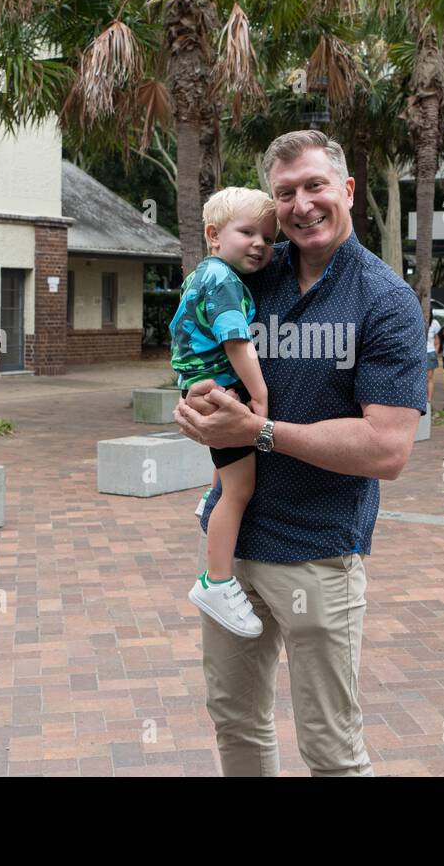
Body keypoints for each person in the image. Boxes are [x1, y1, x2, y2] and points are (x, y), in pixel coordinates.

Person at [174, 130, 425, 776]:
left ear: (346, 190)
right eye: (285, 192)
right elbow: (202, 346)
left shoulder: (386, 301)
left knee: (331, 750)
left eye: (315, 186)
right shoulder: (251, 273)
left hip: (319, 553)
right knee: (235, 722)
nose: (301, 204)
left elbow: (388, 448)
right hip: (232, 558)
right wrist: (196, 407)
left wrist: (256, 432)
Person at [170, 187, 275, 638]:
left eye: (269, 239)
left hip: (200, 385)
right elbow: (237, 343)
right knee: (241, 489)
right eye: (247, 232)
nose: (260, 244)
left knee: (225, 479)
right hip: (220, 389)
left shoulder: (203, 274)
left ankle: (208, 499)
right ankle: (216, 581)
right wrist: (261, 395)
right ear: (214, 235)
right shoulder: (227, 282)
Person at [426, 314, 441, 409]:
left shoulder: (435, 323)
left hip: (429, 352)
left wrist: (435, 352)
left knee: (429, 378)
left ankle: (429, 400)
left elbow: (437, 340)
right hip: (418, 352)